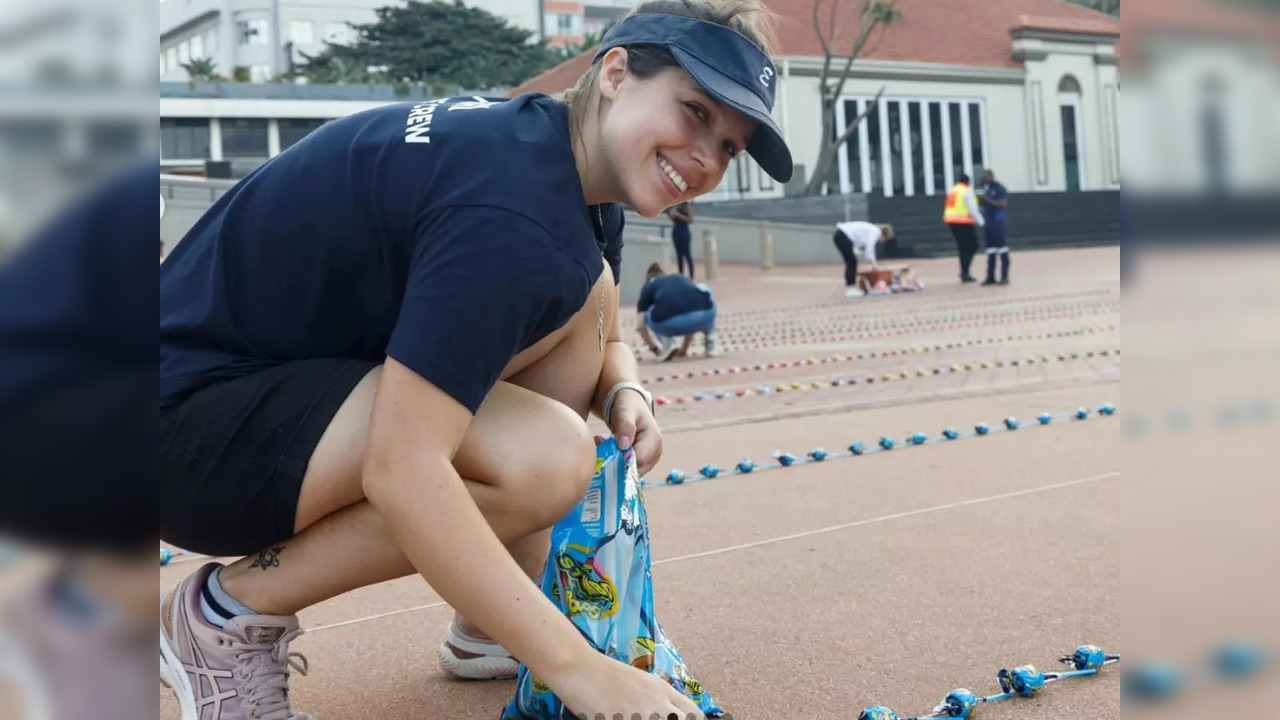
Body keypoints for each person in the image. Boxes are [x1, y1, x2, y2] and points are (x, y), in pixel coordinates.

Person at [158, 1, 791, 718]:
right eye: (695, 112)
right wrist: (580, 669)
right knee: (545, 458)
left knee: (583, 292)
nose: (707, 157)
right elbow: (403, 467)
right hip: (178, 437)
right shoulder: (511, 215)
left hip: (242, 396)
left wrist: (627, 393)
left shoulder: (559, 162)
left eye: (730, 146)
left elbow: (604, 325)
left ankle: (491, 622)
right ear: (615, 72)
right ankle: (224, 613)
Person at [635, 262, 719, 360]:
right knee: (702, 289)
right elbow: (688, 309)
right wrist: (684, 349)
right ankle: (711, 340)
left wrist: (654, 348)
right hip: (705, 314)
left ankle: (668, 343)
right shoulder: (679, 277)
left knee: (648, 312)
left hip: (670, 325)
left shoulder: (647, 287)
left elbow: (640, 326)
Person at [942, 172, 984, 283]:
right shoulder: (966, 191)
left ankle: (964, 271)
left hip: (952, 222)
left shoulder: (953, 190)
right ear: (967, 182)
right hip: (964, 222)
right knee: (973, 246)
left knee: (963, 247)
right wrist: (981, 221)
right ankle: (965, 271)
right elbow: (972, 208)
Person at [832, 220, 893, 297]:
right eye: (885, 239)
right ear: (884, 235)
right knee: (852, 262)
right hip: (843, 235)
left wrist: (870, 261)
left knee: (851, 262)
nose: (883, 241)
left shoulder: (870, 230)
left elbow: (862, 249)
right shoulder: (875, 232)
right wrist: (874, 264)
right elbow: (870, 249)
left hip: (839, 235)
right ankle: (851, 288)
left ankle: (851, 285)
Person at [978, 169, 1010, 285]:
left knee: (1002, 250)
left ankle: (1004, 277)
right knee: (990, 251)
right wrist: (980, 201)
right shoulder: (986, 189)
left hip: (998, 223)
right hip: (989, 224)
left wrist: (986, 199)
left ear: (990, 177)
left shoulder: (999, 188)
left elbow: (1002, 204)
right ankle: (990, 277)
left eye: (985, 177)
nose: (983, 179)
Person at [667, 201, 695, 279]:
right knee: (679, 255)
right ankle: (681, 275)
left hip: (684, 230)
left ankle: (691, 276)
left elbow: (691, 219)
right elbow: (671, 216)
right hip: (676, 230)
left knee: (687, 254)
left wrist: (678, 215)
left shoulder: (687, 206)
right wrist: (674, 210)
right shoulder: (675, 206)